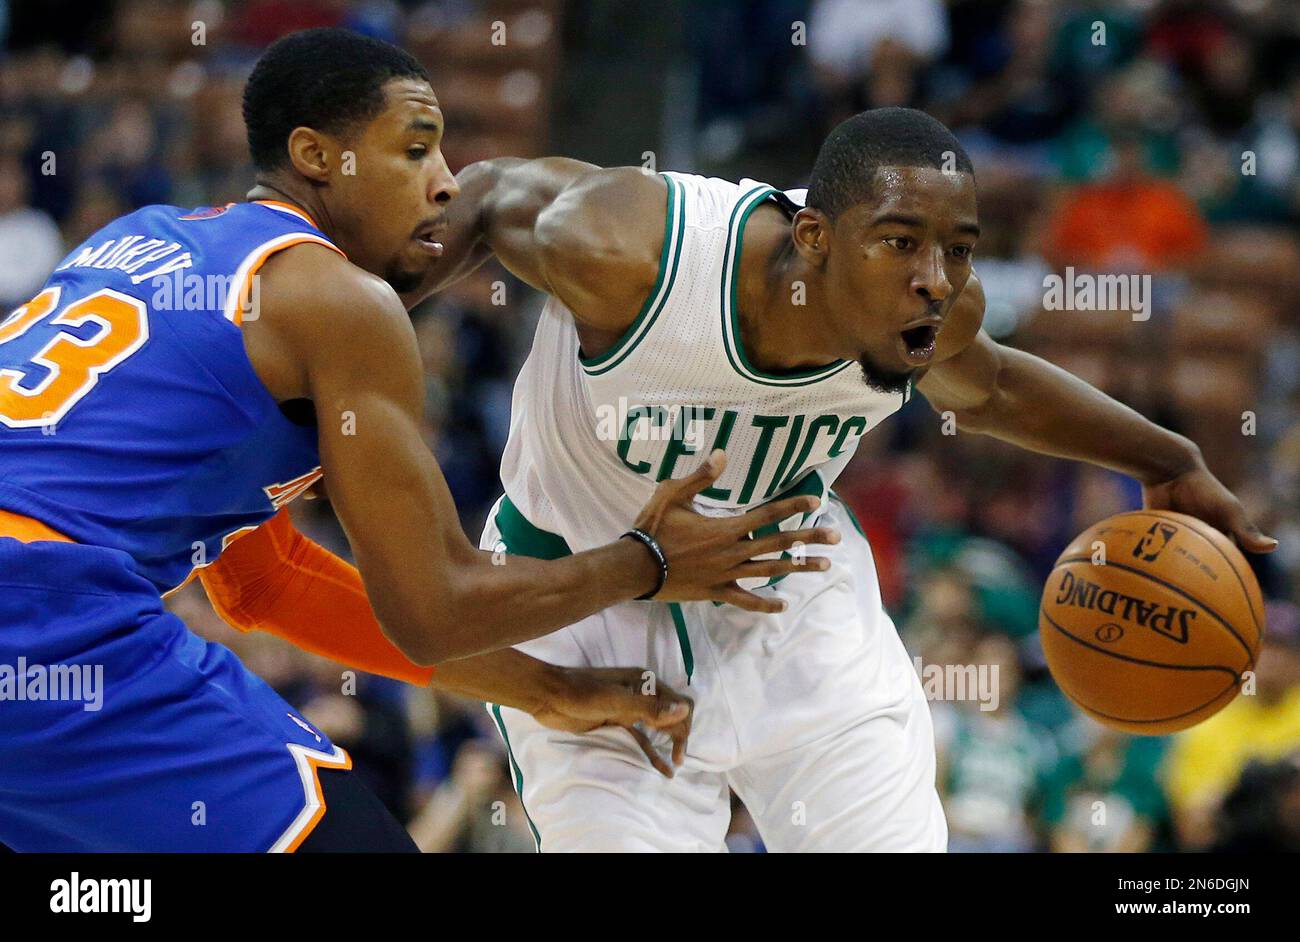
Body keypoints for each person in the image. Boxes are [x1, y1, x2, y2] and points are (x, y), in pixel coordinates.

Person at [0, 28, 834, 852]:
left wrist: (545, 690)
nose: (446, 187)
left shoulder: (134, 240)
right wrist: (645, 562)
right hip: (41, 612)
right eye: (415, 151)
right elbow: (434, 607)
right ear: (316, 156)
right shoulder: (338, 297)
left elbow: (268, 583)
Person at [411, 105, 1276, 851]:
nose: (934, 279)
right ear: (814, 237)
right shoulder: (634, 249)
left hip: (792, 601)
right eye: (899, 241)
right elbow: (485, 195)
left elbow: (996, 385)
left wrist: (1169, 459)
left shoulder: (933, 312)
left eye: (960, 249)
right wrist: (329, 344)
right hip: (581, 605)